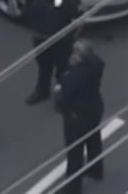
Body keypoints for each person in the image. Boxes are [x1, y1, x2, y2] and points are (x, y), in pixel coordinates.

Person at [24, 0, 82, 105]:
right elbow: (30, 5)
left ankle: (64, 95)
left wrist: (71, 37)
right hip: (41, 38)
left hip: (61, 42)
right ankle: (42, 91)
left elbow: (79, 20)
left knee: (62, 70)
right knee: (44, 66)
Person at [56, 39, 105, 193]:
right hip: (95, 108)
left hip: (77, 117)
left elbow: (66, 97)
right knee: (93, 139)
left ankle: (73, 189)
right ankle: (96, 169)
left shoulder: (73, 77)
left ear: (79, 56)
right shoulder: (97, 65)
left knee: (75, 153)